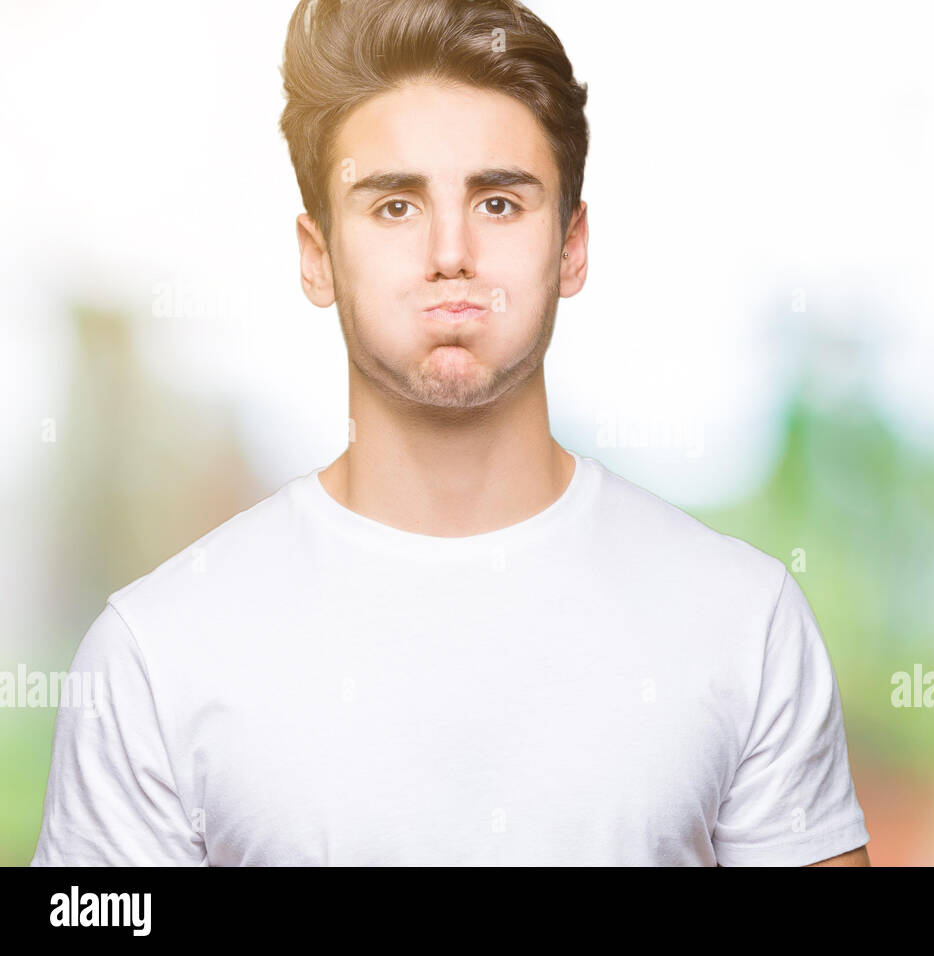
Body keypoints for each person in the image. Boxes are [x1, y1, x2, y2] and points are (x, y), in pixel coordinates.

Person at [31, 0, 870, 866]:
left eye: (499, 202)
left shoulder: (742, 621)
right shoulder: (155, 653)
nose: (449, 251)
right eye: (394, 206)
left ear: (572, 247)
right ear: (317, 256)